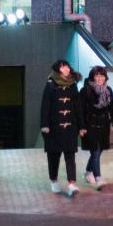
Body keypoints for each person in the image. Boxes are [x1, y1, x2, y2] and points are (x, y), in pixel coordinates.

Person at [40, 60, 85, 196]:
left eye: (67, 67)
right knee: (54, 156)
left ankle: (72, 184)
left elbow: (78, 106)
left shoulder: (72, 84)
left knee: (70, 156)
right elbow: (45, 105)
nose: (66, 69)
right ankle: (54, 180)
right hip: (54, 128)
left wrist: (81, 126)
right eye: (63, 67)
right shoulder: (51, 84)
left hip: (70, 127)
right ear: (58, 70)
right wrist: (44, 125)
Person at [80, 66, 113, 189]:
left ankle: (88, 172)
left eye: (102, 76)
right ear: (92, 77)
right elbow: (80, 110)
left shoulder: (108, 91)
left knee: (98, 152)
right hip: (89, 126)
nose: (99, 78)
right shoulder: (85, 90)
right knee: (95, 151)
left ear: (105, 78)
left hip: (104, 126)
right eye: (97, 76)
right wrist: (81, 127)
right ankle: (98, 178)